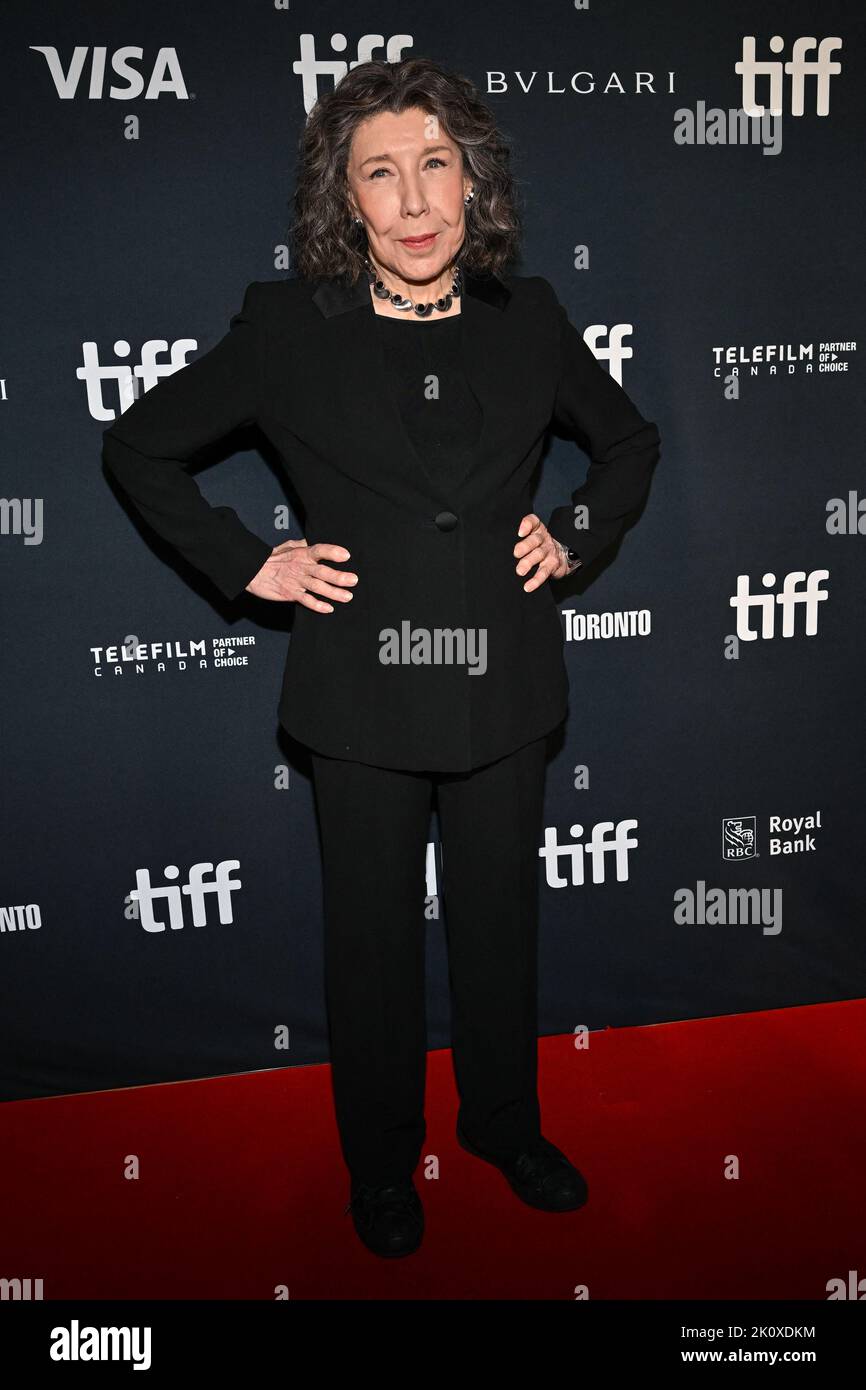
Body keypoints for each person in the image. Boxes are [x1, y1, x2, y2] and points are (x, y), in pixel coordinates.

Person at [102, 56, 661, 1259]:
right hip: (359, 697)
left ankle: (504, 1127)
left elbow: (626, 444)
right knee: (370, 948)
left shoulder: (533, 318)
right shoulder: (285, 328)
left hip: (505, 689)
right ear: (344, 199)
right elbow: (140, 446)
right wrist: (249, 562)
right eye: (380, 175)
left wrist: (569, 536)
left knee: (500, 926)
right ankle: (379, 1166)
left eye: (434, 166)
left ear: (472, 181)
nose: (413, 203)